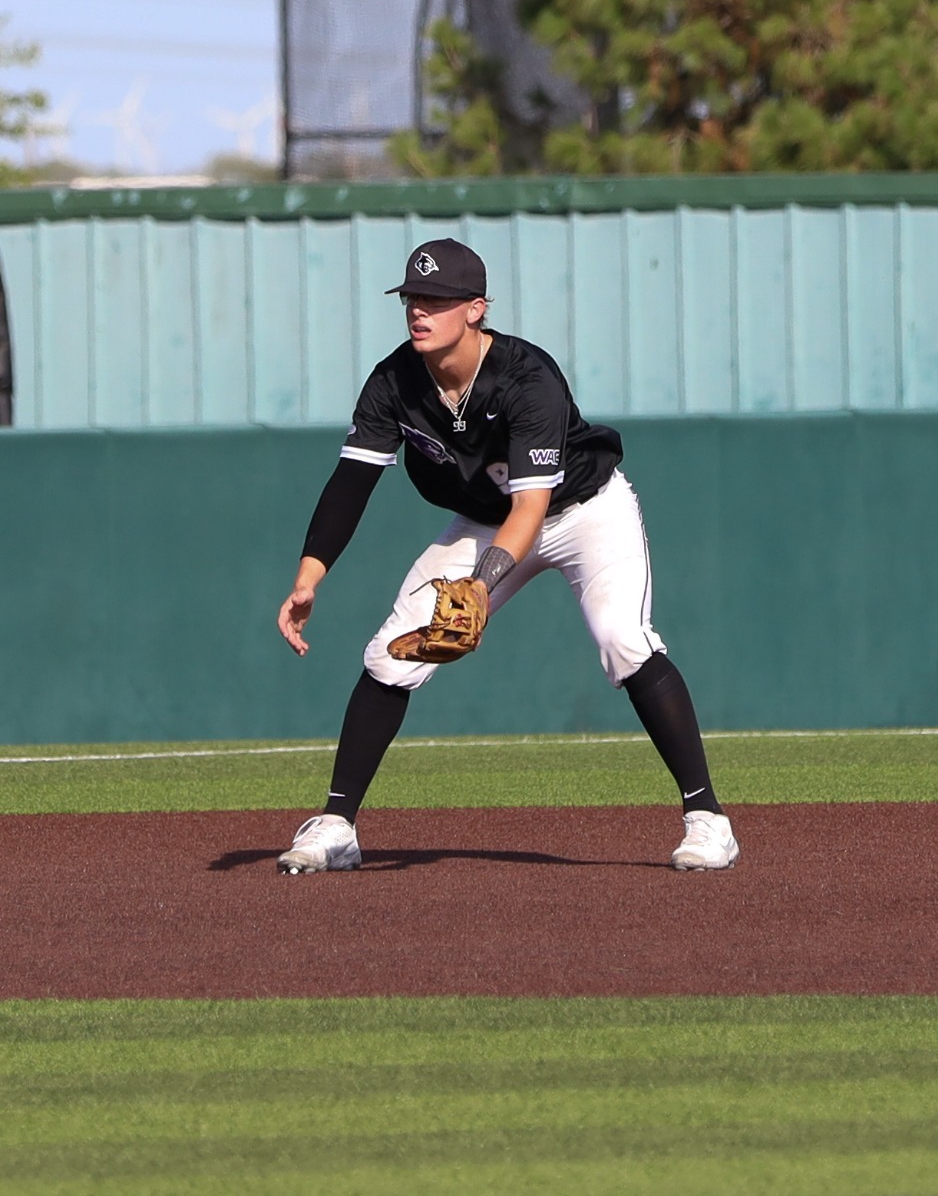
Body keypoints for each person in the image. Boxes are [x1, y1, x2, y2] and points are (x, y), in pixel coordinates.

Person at [273, 238, 738, 874]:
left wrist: (482, 588)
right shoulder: (394, 382)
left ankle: (708, 819)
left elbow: (532, 508)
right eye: (412, 297)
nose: (419, 310)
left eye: (435, 299)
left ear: (475, 308)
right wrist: (309, 576)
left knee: (623, 639)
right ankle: (337, 825)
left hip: (583, 512)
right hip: (486, 521)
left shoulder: (527, 377)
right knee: (390, 653)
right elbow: (352, 480)